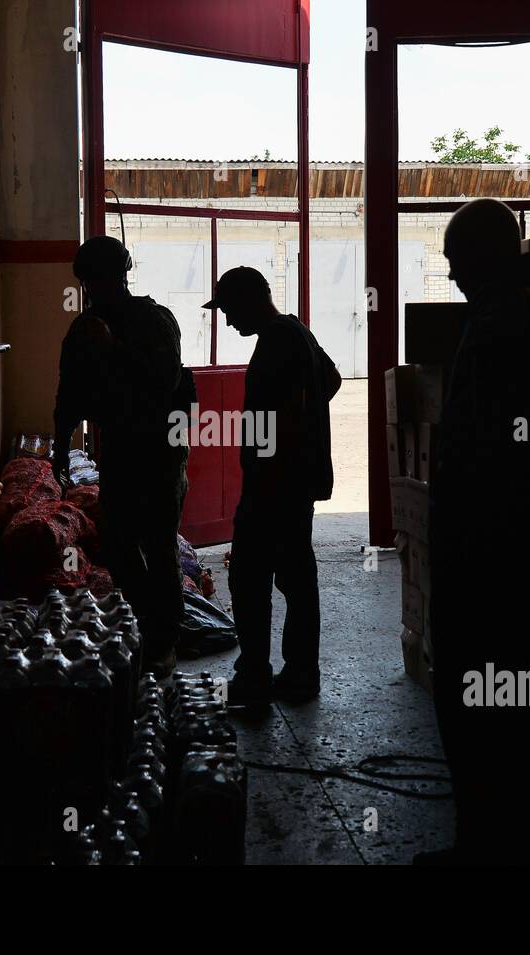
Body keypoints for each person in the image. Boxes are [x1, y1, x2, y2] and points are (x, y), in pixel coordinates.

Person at [418, 198, 530, 864]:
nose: (450, 274)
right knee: (495, 706)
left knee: (477, 704)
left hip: (489, 550)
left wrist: (457, 536)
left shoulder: (505, 318)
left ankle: (500, 844)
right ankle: (515, 840)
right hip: (508, 544)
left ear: (483, 254)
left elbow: (490, 448)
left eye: (456, 260)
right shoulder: (527, 302)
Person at [53, 235, 192, 677]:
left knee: (159, 545)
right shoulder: (84, 327)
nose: (96, 288)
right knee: (118, 545)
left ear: (122, 275)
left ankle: (164, 641)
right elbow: (69, 392)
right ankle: (140, 623)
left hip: (158, 455)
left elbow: (166, 381)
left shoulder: (153, 321)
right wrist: (60, 445)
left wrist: (114, 348)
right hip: (117, 455)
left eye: (102, 278)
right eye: (91, 281)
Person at [204, 267, 342, 707]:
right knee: (294, 577)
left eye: (229, 311)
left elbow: (286, 411)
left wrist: (276, 451)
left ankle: (257, 676)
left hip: (276, 486)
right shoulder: (295, 331)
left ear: (250, 301)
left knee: (251, 577)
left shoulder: (280, 339)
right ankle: (298, 674)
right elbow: (332, 380)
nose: (227, 322)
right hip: (292, 483)